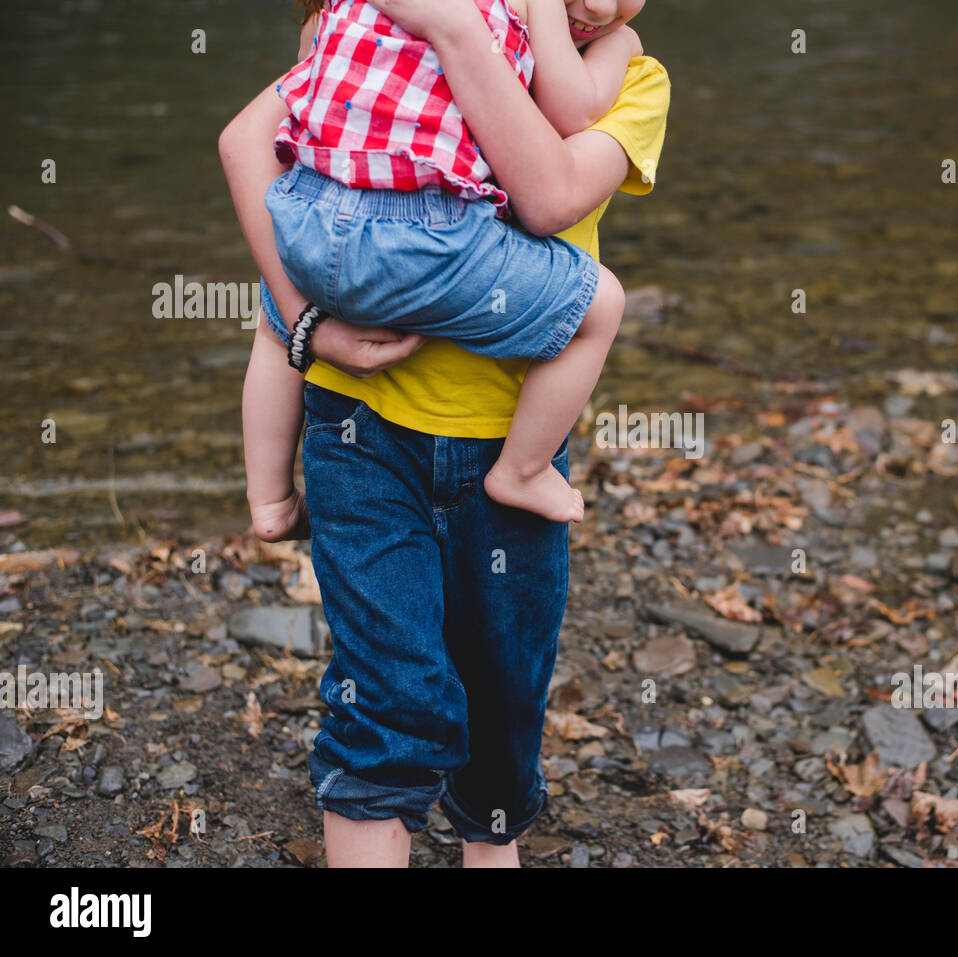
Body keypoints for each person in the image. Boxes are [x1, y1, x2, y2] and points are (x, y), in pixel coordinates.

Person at [218, 0, 667, 866]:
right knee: (385, 699)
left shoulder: (633, 78)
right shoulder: (396, 30)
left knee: (503, 705)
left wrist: (467, 32)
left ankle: (487, 840)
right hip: (362, 432)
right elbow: (248, 145)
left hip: (503, 438)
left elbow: (549, 200)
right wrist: (309, 322)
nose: (603, 3)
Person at [243, 0, 645, 539]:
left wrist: (301, 322)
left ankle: (268, 500)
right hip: (420, 239)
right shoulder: (518, 10)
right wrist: (619, 45)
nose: (598, 5)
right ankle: (523, 470)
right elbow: (569, 120)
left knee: (275, 328)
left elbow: (263, 125)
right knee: (599, 306)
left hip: (312, 213)